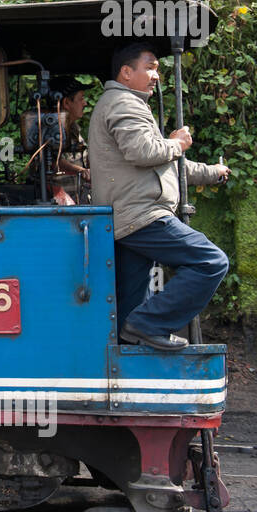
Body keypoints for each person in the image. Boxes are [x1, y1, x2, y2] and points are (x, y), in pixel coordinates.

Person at [88, 43, 231, 351]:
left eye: (157, 69)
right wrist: (177, 143)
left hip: (130, 215)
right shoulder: (124, 103)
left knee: (130, 299)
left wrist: (212, 172)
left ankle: (133, 349)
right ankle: (149, 324)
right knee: (211, 262)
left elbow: (167, 162)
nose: (156, 76)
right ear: (126, 73)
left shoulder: (127, 103)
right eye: (150, 67)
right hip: (142, 215)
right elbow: (144, 152)